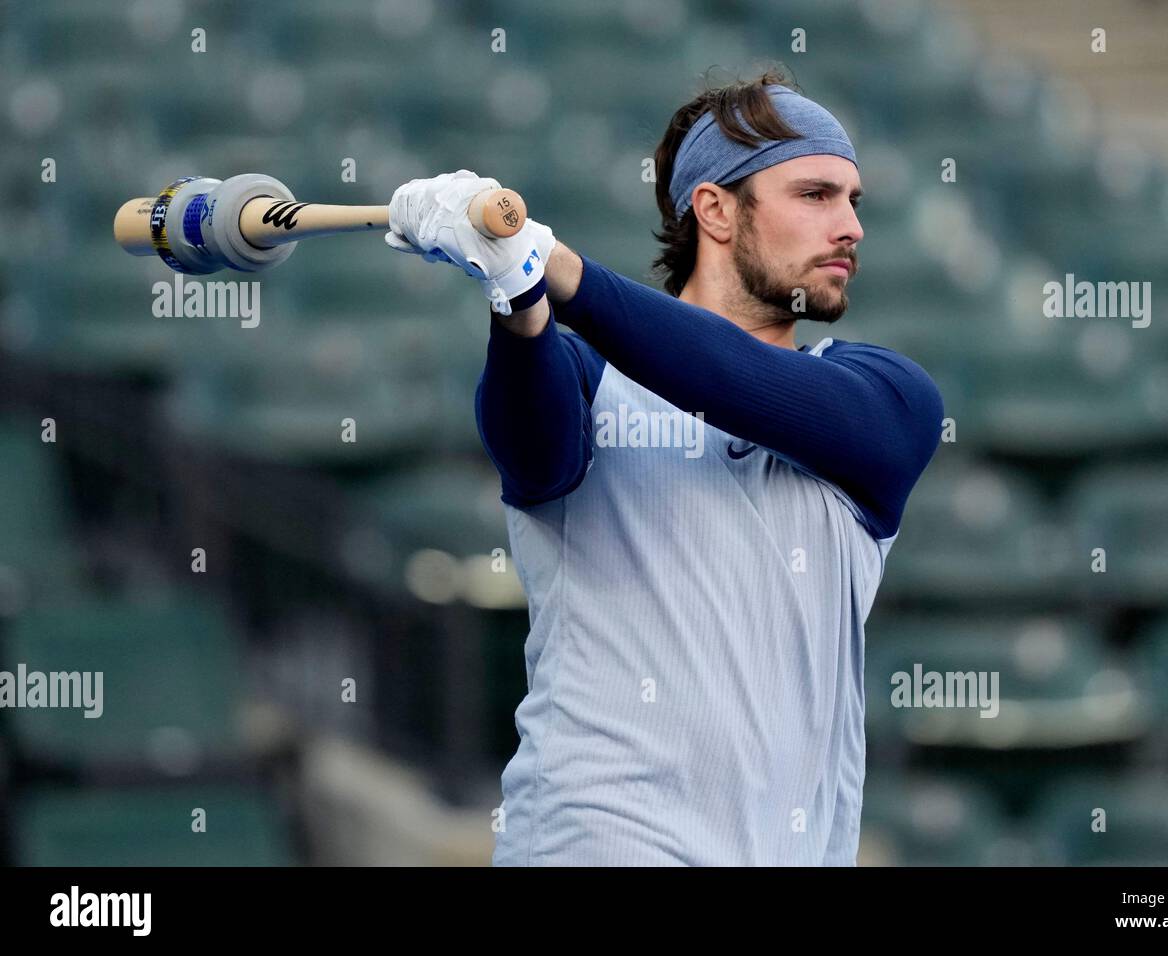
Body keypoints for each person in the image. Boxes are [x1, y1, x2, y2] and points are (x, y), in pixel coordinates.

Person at [385, 69, 944, 866]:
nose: (850, 225)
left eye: (855, 201)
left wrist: (548, 262)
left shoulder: (889, 398)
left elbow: (738, 383)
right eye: (816, 195)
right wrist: (515, 287)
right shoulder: (584, 376)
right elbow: (531, 439)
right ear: (714, 209)